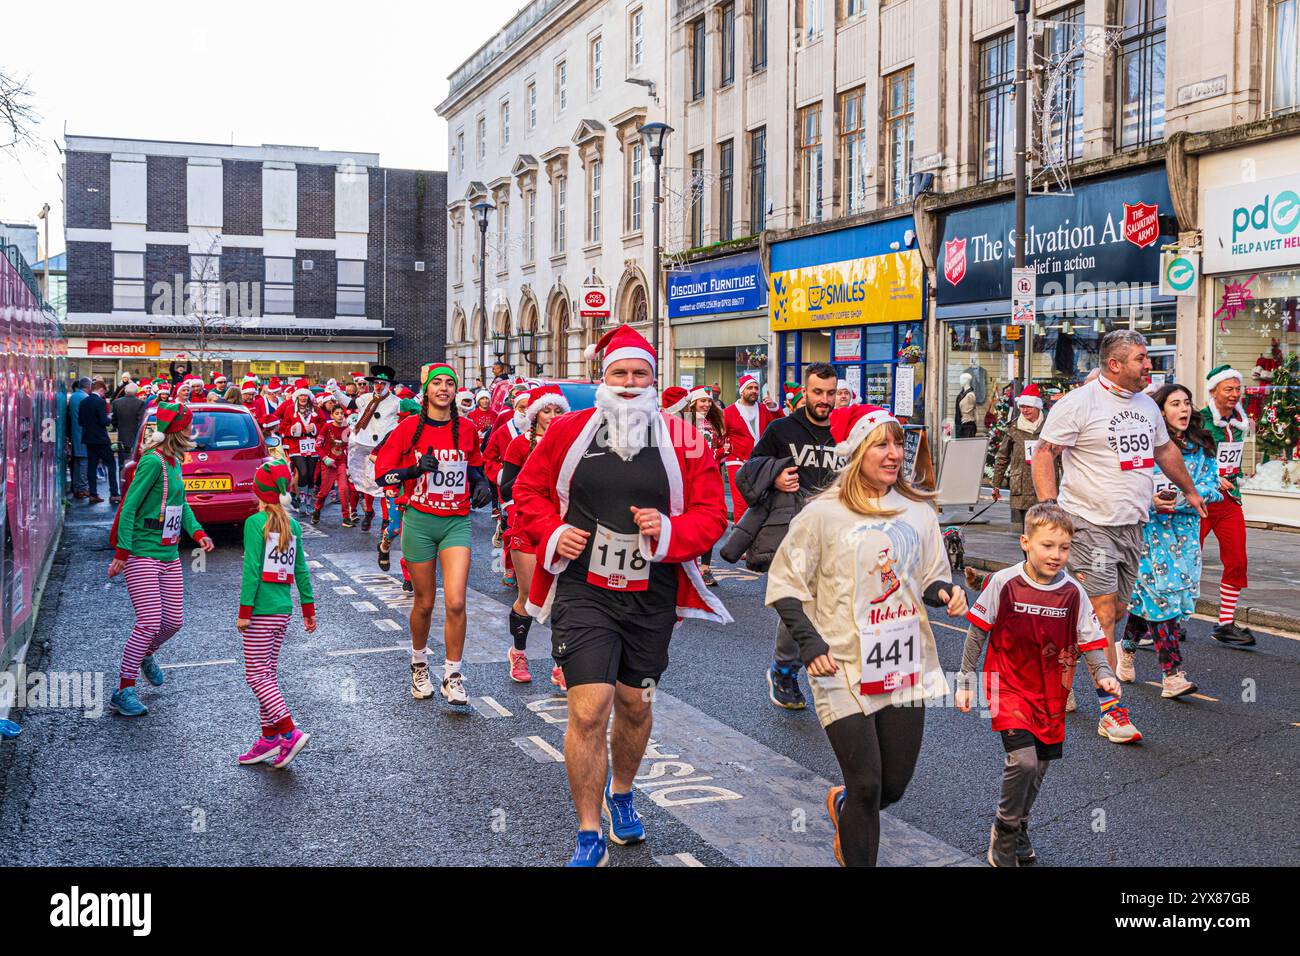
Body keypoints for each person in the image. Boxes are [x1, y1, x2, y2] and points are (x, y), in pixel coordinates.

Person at [512, 325, 730, 867]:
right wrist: (552, 533)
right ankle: (588, 832)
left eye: (640, 374)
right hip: (584, 589)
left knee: (635, 704)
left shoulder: (686, 440)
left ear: (655, 381)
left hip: (650, 594)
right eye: (620, 374)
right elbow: (529, 492)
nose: (630, 384)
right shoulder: (567, 431)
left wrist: (670, 531)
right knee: (589, 710)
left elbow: (712, 514)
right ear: (602, 378)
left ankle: (623, 793)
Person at [766, 404, 966, 867]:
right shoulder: (823, 514)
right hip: (838, 661)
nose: (895, 453)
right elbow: (785, 584)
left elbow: (931, 576)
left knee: (891, 787)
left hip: (900, 659)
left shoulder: (917, 511)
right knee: (867, 784)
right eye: (882, 443)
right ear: (856, 451)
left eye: (899, 443)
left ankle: (842, 808)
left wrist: (946, 593)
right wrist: (810, 643)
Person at [1031, 330, 1207, 745]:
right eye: (1142, 359)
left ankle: (1057, 676)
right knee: (1104, 612)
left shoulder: (1146, 405)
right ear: (1115, 364)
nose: (1149, 365)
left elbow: (1164, 452)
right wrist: (1049, 509)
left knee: (1111, 612)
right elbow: (1044, 453)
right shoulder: (1079, 403)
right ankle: (1112, 710)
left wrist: (1190, 489)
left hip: (1133, 524)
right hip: (1088, 522)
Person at [957, 503, 1119, 867]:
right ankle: (1004, 828)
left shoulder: (1073, 592)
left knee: (1041, 766)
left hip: (1051, 695)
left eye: (1064, 547)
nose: (1057, 555)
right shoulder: (1004, 582)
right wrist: (966, 680)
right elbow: (976, 633)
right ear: (1025, 543)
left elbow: (1091, 641)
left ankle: (1021, 824)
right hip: (1008, 688)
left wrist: (1104, 674)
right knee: (1024, 763)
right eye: (1048, 546)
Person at [375, 363, 492, 705]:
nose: (443, 388)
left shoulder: (467, 429)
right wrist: (413, 469)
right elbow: (383, 475)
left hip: (456, 521)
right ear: (426, 390)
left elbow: (475, 467)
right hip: (420, 521)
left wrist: (482, 484)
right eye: (437, 383)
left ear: (456, 391)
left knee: (456, 600)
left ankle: (453, 674)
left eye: (449, 384)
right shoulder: (409, 428)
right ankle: (419, 664)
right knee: (425, 602)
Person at [106, 402, 216, 717]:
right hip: (142, 551)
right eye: (188, 425)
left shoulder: (174, 461)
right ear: (178, 429)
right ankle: (123, 690)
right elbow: (129, 507)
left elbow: (182, 506)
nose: (192, 430)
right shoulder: (153, 462)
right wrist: (123, 552)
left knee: (173, 621)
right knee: (150, 621)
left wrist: (197, 533)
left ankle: (145, 653)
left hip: (168, 553)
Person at [746, 363, 843, 710]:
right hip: (793, 532)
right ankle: (784, 670)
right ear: (806, 391)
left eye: (831, 393)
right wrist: (773, 478)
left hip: (839, 530)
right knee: (798, 601)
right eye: (818, 392)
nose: (825, 400)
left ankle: (832, 667)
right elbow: (751, 469)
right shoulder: (782, 429)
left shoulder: (843, 428)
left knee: (832, 603)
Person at [1118, 384, 1222, 698]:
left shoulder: (1201, 447)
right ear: (1161, 411)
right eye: (1175, 403)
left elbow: (1212, 488)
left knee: (1152, 602)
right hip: (1151, 535)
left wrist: (1179, 499)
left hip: (1186, 536)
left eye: (1186, 403)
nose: (1183, 408)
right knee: (1161, 599)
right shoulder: (1144, 445)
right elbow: (1127, 486)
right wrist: (1151, 501)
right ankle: (1172, 674)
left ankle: (1126, 649)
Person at [235, 461, 317, 768]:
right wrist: (307, 608)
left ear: (257, 490)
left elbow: (252, 570)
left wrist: (244, 612)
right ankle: (269, 738)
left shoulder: (255, 523)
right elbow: (301, 571)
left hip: (260, 611)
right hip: (282, 610)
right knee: (266, 673)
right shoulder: (292, 525)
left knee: (255, 676)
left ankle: (288, 732)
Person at [498, 383, 571, 688]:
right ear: (535, 414)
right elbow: (506, 488)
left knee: (563, 600)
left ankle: (560, 663)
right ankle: (518, 652)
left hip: (562, 528)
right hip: (527, 527)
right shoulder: (519, 445)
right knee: (529, 598)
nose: (551, 416)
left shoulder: (573, 443)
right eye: (546, 410)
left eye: (557, 410)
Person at [1199, 365, 1256, 647]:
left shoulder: (1239, 421)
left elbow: (1231, 458)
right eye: (1228, 389)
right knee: (1185, 561)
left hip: (1230, 501)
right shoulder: (1199, 420)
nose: (1235, 394)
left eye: (1237, 389)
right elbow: (1185, 461)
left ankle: (1225, 623)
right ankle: (1166, 620)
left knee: (1237, 560)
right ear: (1214, 390)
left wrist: (1238, 475)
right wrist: (1212, 477)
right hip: (1200, 501)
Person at [341, 364, 402, 531]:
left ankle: (385, 518)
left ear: (389, 385)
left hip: (384, 447)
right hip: (364, 445)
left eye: (382, 383)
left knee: (383, 484)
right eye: (376, 383)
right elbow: (350, 404)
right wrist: (336, 392)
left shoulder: (396, 402)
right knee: (367, 481)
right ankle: (368, 512)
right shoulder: (366, 398)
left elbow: (412, 414)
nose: (379, 386)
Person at [680, 386, 728, 586]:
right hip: (688, 479)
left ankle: (705, 568)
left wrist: (724, 450)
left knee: (707, 521)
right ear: (693, 403)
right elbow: (685, 453)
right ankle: (685, 566)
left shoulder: (714, 423)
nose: (707, 404)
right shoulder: (684, 423)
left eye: (709, 401)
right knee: (686, 523)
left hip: (710, 478)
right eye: (702, 401)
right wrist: (716, 454)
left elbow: (721, 446)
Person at [989, 384, 1053, 532]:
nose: (1025, 410)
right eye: (1022, 407)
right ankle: (1027, 556)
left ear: (1037, 406)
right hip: (1022, 485)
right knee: (1028, 529)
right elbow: (1002, 457)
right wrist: (996, 484)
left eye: (1029, 406)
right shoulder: (1013, 428)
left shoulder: (1049, 426)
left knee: (1046, 527)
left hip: (1046, 483)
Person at [722, 374, 778, 523]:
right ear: (742, 391)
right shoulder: (728, 412)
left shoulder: (764, 409)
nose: (754, 391)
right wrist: (726, 449)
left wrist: (773, 407)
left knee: (759, 501)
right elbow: (720, 437)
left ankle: (754, 534)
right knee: (741, 503)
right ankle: (738, 537)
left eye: (756, 388)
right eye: (750, 388)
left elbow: (780, 426)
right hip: (737, 462)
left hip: (759, 462)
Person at [277, 379, 323, 511]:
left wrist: (314, 427)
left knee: (310, 474)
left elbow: (323, 425)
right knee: (302, 472)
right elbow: (282, 427)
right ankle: (302, 500)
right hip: (296, 447)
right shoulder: (290, 409)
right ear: (297, 396)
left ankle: (308, 501)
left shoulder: (316, 409)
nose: (303, 397)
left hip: (312, 446)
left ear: (309, 396)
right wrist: (295, 430)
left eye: (305, 395)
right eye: (301, 395)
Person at [314, 403, 354, 527]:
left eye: (342, 413)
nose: (340, 416)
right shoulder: (327, 427)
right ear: (332, 415)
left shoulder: (347, 429)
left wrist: (348, 465)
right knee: (324, 492)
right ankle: (317, 510)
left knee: (343, 489)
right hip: (328, 464)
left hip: (341, 462)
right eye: (337, 413)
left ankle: (346, 517)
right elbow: (317, 446)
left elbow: (350, 447)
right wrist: (325, 458)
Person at [80, 379, 119, 505]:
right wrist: (109, 417)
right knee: (111, 465)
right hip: (101, 439)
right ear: (101, 390)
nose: (104, 395)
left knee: (92, 466)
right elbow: (104, 422)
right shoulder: (100, 402)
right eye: (104, 392)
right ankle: (114, 494)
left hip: (88, 438)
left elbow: (80, 421)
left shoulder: (84, 402)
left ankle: (93, 494)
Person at [111, 381, 146, 475]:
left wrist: (118, 426)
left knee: (122, 464)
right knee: (134, 464)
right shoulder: (140, 403)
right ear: (135, 392)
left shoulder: (116, 403)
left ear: (126, 391)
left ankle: (122, 483)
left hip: (122, 437)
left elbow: (114, 421)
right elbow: (141, 421)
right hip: (135, 437)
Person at [68, 377, 91, 499]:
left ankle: (77, 486)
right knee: (83, 461)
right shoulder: (85, 398)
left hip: (75, 432)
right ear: (88, 386)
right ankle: (82, 488)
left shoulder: (74, 396)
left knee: (77, 461)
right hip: (83, 433)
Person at [954, 372, 978, 438]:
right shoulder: (962, 394)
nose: (960, 381)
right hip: (962, 426)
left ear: (966, 380)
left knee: (966, 447)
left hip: (967, 427)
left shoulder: (970, 395)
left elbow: (970, 412)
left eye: (961, 379)